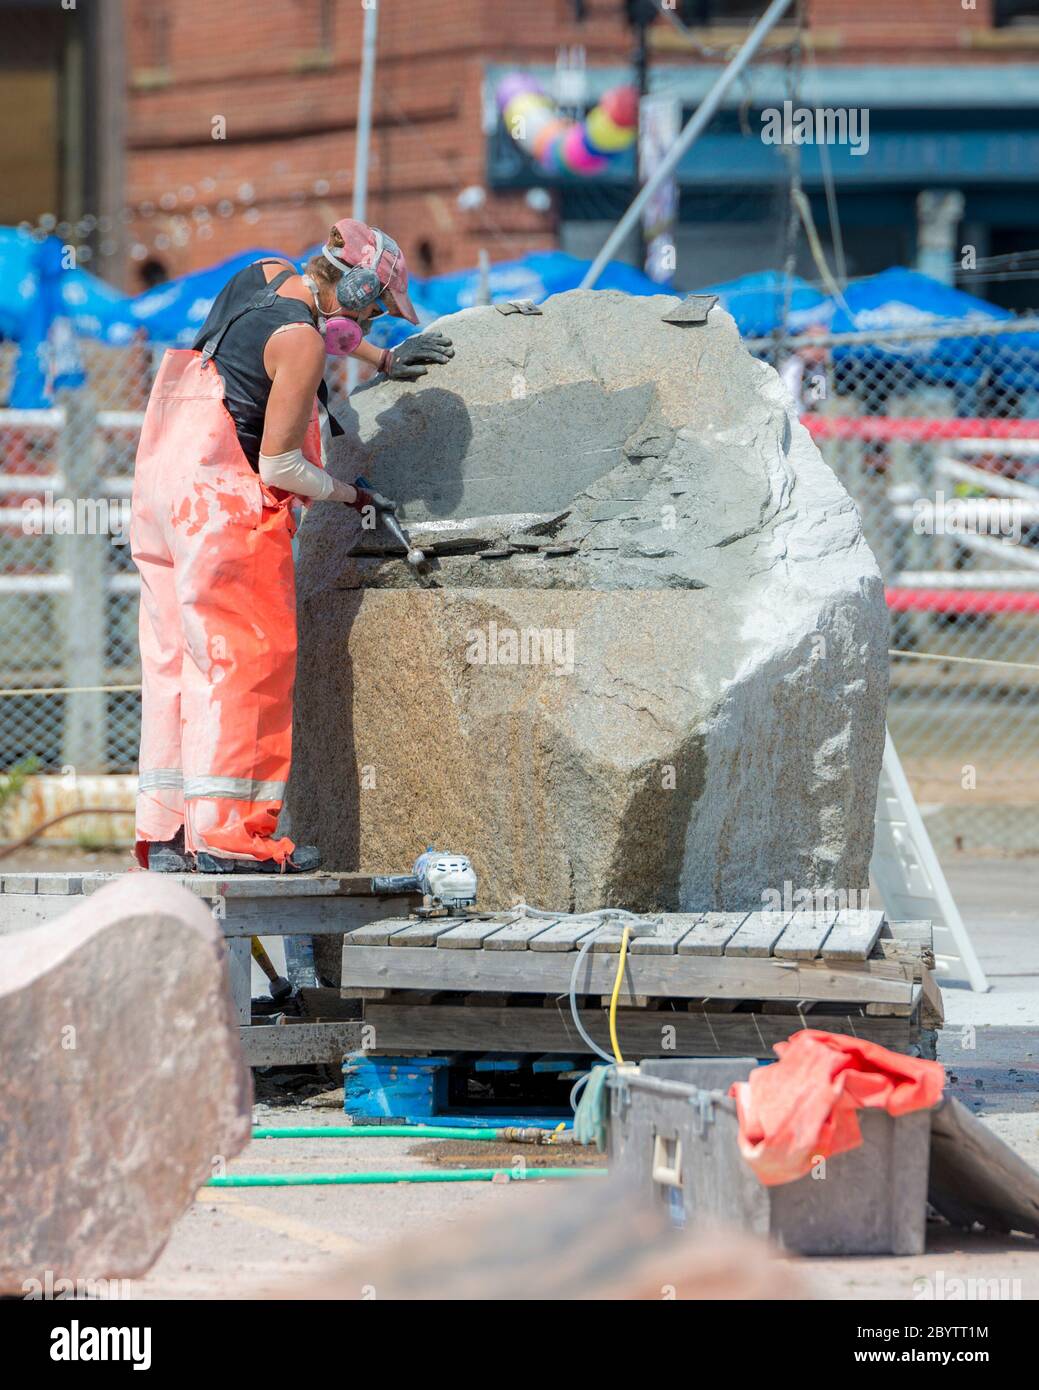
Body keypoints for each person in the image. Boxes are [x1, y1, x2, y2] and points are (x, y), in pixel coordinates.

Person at [130, 218, 453, 873]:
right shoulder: (304, 342)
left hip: (161, 482)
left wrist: (381, 361)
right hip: (219, 501)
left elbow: (300, 332)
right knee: (246, 660)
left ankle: (167, 834)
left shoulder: (266, 272)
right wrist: (350, 495)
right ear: (358, 284)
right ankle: (229, 835)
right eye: (371, 312)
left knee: (174, 660)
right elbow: (279, 467)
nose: (366, 326)